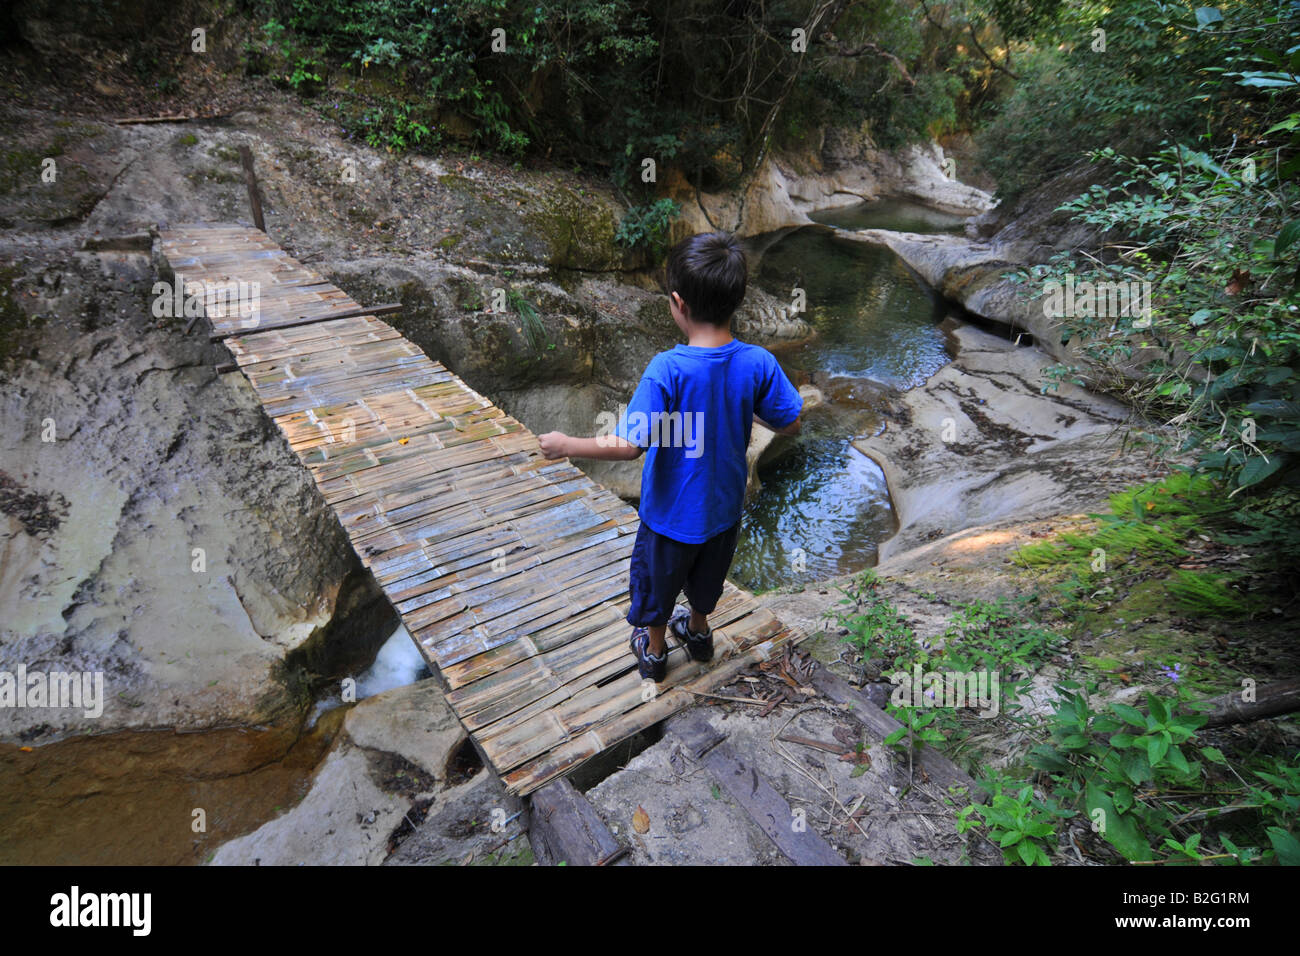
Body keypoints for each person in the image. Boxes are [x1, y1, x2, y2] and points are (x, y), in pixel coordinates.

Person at [538, 231, 804, 681]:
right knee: (708, 576)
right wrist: (744, 413)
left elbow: (628, 445)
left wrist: (567, 445)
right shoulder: (757, 362)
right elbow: (790, 422)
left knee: (658, 583)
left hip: (668, 517)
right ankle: (699, 634)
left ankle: (655, 650)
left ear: (678, 303)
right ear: (736, 300)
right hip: (723, 510)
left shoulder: (668, 369)